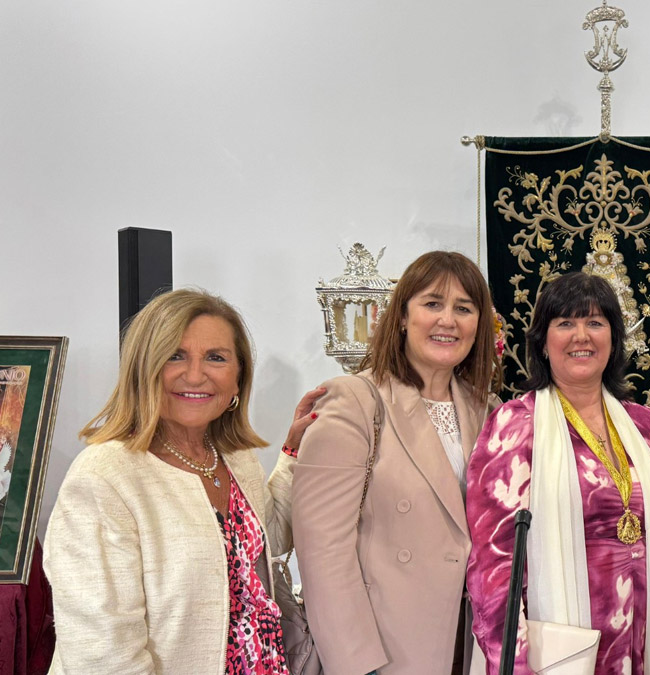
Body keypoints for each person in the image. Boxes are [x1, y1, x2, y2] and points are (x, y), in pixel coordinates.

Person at [44, 288, 322, 674]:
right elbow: (102, 653)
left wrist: (294, 454)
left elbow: (264, 543)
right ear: (144, 368)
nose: (195, 374)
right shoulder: (103, 478)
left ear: (238, 379)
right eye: (175, 355)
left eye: (216, 357)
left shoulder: (233, 457)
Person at [467, 271, 650, 675]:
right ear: (543, 342)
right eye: (565, 322)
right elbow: (493, 568)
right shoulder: (515, 426)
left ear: (614, 339)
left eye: (595, 322)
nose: (581, 336)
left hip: (646, 646)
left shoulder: (647, 427)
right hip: (560, 654)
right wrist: (513, 665)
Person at [292, 251, 500, 675]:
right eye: (432, 303)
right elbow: (323, 550)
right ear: (402, 315)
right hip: (388, 647)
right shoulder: (354, 401)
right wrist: (356, 664)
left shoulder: (490, 411)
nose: (448, 320)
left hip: (471, 643)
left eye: (464, 308)